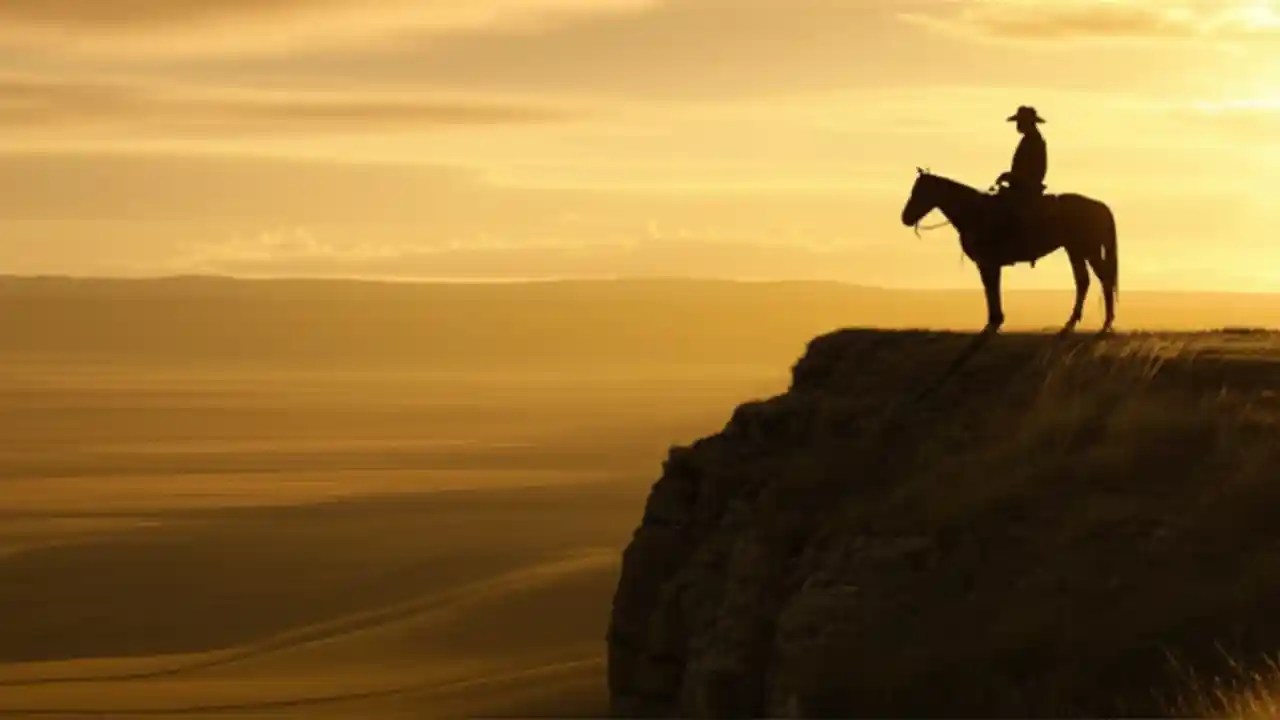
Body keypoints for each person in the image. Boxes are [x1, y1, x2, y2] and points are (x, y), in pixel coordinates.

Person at [992, 106, 1047, 259]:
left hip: (1027, 189)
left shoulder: (1035, 142)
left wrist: (1012, 177)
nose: (1018, 125)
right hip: (1021, 186)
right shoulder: (1029, 140)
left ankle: (1018, 245)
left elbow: (1035, 171)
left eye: (1020, 122)